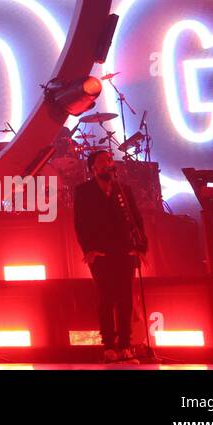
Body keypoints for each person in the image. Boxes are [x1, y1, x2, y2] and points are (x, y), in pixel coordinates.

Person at [73, 149, 148, 364]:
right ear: (93, 168)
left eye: (109, 159)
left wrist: (141, 246)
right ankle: (109, 345)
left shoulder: (122, 190)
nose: (108, 163)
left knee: (125, 298)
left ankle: (125, 345)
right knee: (106, 298)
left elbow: (136, 218)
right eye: (102, 161)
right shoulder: (84, 191)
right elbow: (80, 223)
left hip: (124, 250)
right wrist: (88, 249)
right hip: (100, 252)